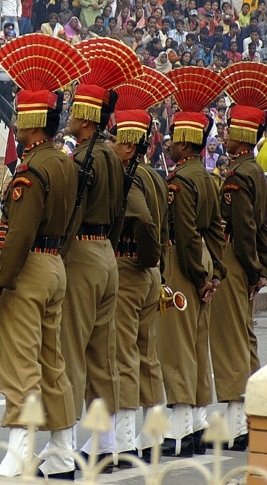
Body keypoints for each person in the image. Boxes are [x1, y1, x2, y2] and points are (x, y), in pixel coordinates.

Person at [0, 34, 80, 477]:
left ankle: (19, 451)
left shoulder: (32, 168)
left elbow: (17, 233)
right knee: (51, 360)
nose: (16, 126)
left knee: (20, 360)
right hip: (56, 263)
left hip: (28, 269)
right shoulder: (64, 162)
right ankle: (61, 451)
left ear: (34, 121)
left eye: (20, 118)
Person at [62, 44, 128, 466]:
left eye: (73, 107)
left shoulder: (84, 157)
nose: (67, 113)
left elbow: (72, 213)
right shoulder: (111, 154)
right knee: (103, 353)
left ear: (86, 117)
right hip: (107, 253)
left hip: (83, 254)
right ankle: (106, 442)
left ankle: (64, 444)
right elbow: (119, 211)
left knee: (70, 349)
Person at [212, 63, 267, 451]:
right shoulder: (255, 171)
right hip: (248, 264)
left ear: (239, 133)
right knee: (243, 339)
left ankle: (236, 424)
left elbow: (242, 231)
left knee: (229, 342)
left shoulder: (237, 176)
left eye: (227, 128)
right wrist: (264, 268)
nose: (222, 134)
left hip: (234, 263)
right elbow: (263, 229)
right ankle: (244, 418)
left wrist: (251, 268)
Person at [158, 67, 226, 458]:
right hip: (202, 265)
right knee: (197, 347)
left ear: (186, 142)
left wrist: (199, 276)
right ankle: (198, 424)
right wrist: (216, 272)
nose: (168, 144)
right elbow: (215, 231)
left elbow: (184, 235)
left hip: (183, 268)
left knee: (176, 347)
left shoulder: (179, 181)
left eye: (173, 138)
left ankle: (179, 431)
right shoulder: (208, 178)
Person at [108, 76, 171, 463]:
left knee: (123, 355)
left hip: (132, 268)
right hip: (149, 274)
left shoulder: (130, 176)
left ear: (129, 144)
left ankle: (127, 438)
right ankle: (154, 433)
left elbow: (147, 223)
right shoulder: (154, 175)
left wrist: (145, 259)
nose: (113, 144)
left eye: (117, 138)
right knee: (147, 354)